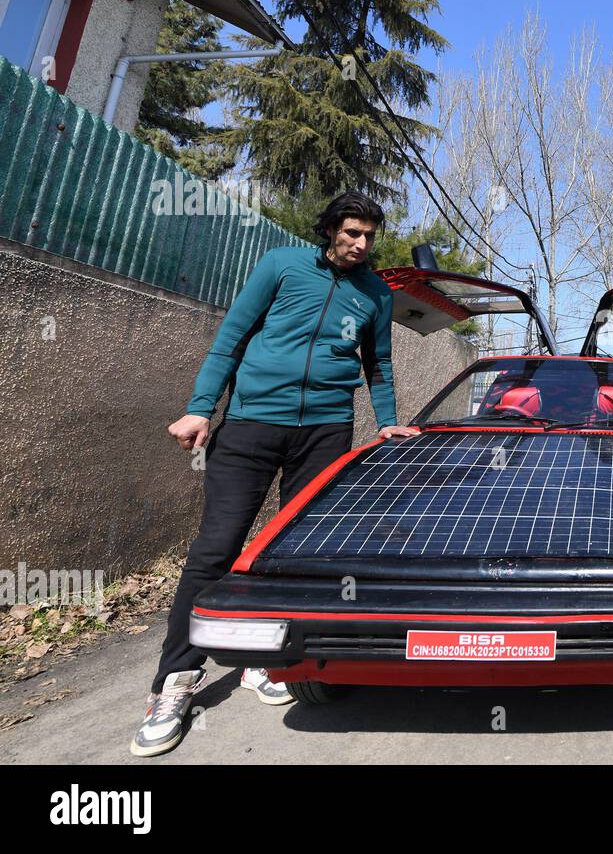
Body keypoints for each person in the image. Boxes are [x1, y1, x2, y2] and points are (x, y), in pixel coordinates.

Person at [130, 191, 420, 757]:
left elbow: (377, 364)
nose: (361, 245)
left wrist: (386, 422)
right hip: (251, 425)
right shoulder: (280, 266)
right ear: (331, 228)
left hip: (325, 432)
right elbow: (232, 336)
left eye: (369, 236)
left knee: (294, 554)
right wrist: (201, 407)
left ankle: (264, 662)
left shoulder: (376, 293)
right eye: (352, 233)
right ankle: (173, 684)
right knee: (218, 548)